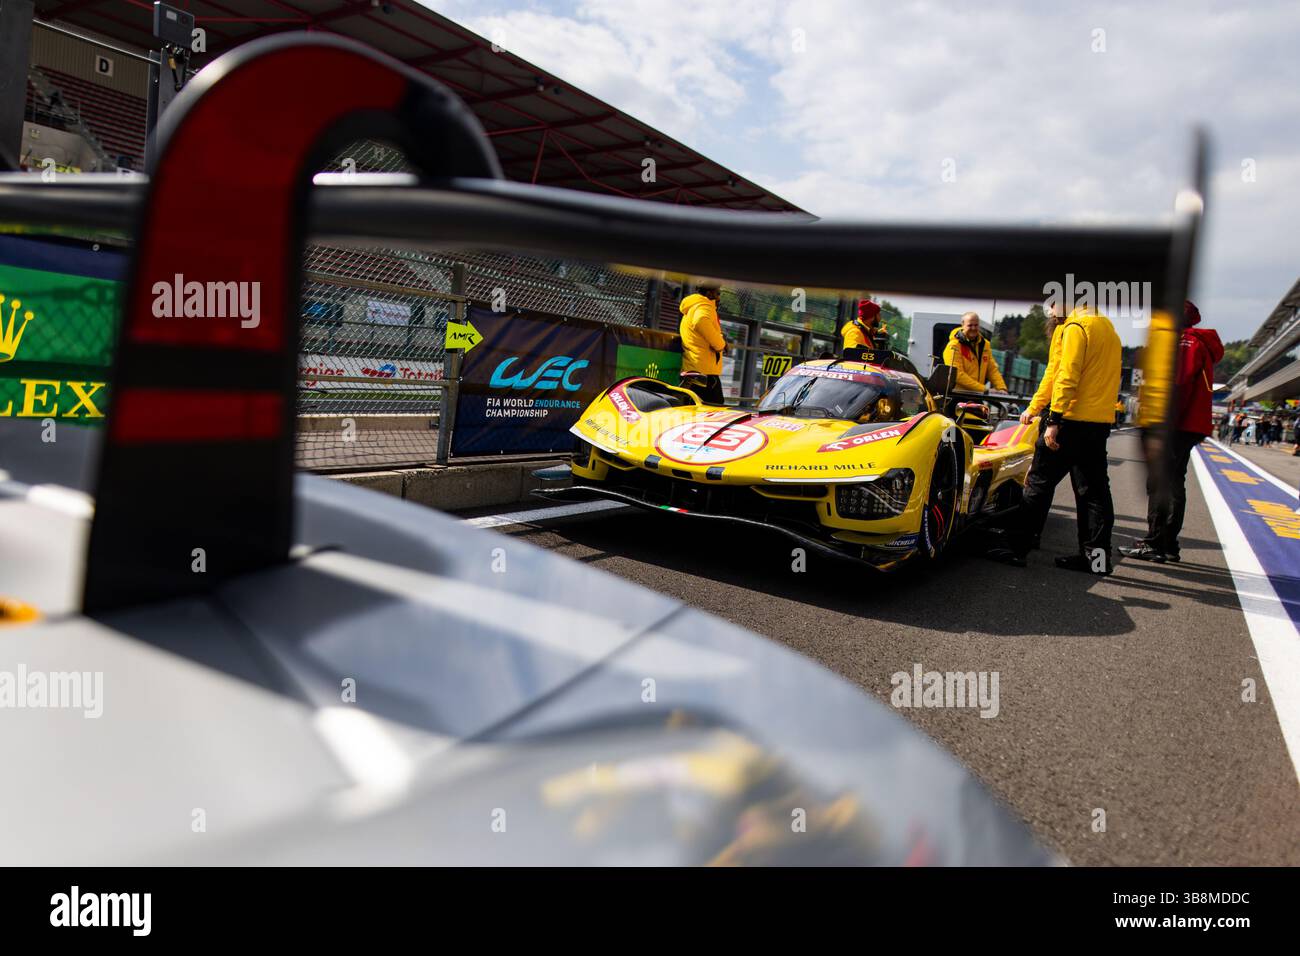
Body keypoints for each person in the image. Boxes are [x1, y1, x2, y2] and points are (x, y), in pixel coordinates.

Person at [987, 303, 1123, 574]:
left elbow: (1064, 375)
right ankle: (1096, 560)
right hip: (1098, 423)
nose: (1049, 311)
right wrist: (1035, 407)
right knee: (1094, 494)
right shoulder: (1107, 328)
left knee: (1038, 483)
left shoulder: (1074, 327)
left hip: (1070, 421)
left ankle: (1016, 548)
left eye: (1052, 304)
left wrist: (1053, 419)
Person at [1121, 300, 1223, 563]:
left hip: (1176, 425)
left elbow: (1178, 385)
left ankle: (1155, 543)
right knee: (1174, 482)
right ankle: (1167, 544)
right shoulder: (1195, 341)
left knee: (1161, 483)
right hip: (1188, 425)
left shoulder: (1184, 342)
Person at [678, 283, 727, 404]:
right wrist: (721, 344)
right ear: (709, 293)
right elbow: (700, 321)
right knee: (715, 412)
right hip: (705, 373)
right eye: (718, 293)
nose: (719, 298)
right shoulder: (704, 306)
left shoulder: (693, 307)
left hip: (694, 368)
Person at [944, 312, 1007, 393]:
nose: (973, 328)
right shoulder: (953, 346)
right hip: (957, 395)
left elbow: (992, 369)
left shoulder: (985, 345)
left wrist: (1001, 388)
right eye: (970, 325)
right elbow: (957, 374)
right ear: (962, 325)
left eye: (976, 325)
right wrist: (984, 389)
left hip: (977, 394)